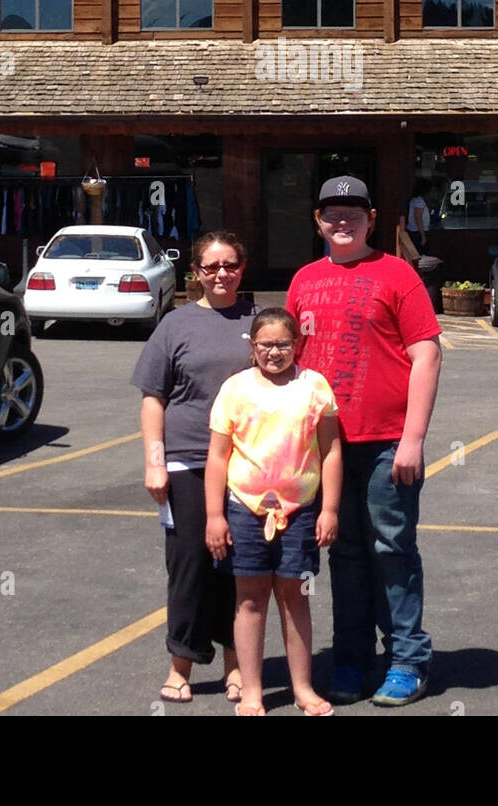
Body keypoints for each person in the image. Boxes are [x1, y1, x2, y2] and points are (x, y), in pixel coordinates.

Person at [286, 176, 442, 708]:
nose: (342, 220)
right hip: (324, 446)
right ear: (318, 220)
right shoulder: (304, 280)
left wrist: (412, 439)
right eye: (332, 211)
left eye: (354, 210)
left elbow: (427, 354)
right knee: (345, 553)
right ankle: (352, 658)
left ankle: (407, 661)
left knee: (393, 550)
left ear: (371, 219)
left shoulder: (398, 275)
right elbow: (288, 362)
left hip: (385, 443)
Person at [132, 230, 255, 704]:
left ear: (242, 269)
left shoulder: (258, 321)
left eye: (230, 265)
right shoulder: (175, 325)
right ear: (196, 273)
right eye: (211, 267)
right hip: (186, 461)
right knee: (188, 564)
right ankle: (181, 663)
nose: (221, 274)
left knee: (237, 565)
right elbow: (152, 399)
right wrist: (154, 463)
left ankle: (236, 664)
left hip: (246, 464)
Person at [205, 307, 342, 717]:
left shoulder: (314, 387)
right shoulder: (234, 389)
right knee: (249, 600)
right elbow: (217, 457)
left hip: (299, 511)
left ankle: (302, 687)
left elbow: (332, 452)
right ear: (252, 346)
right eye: (265, 344)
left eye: (283, 344)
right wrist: (215, 515)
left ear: (297, 344)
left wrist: (329, 509)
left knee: (295, 597)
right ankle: (251, 691)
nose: (275, 352)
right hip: (245, 509)